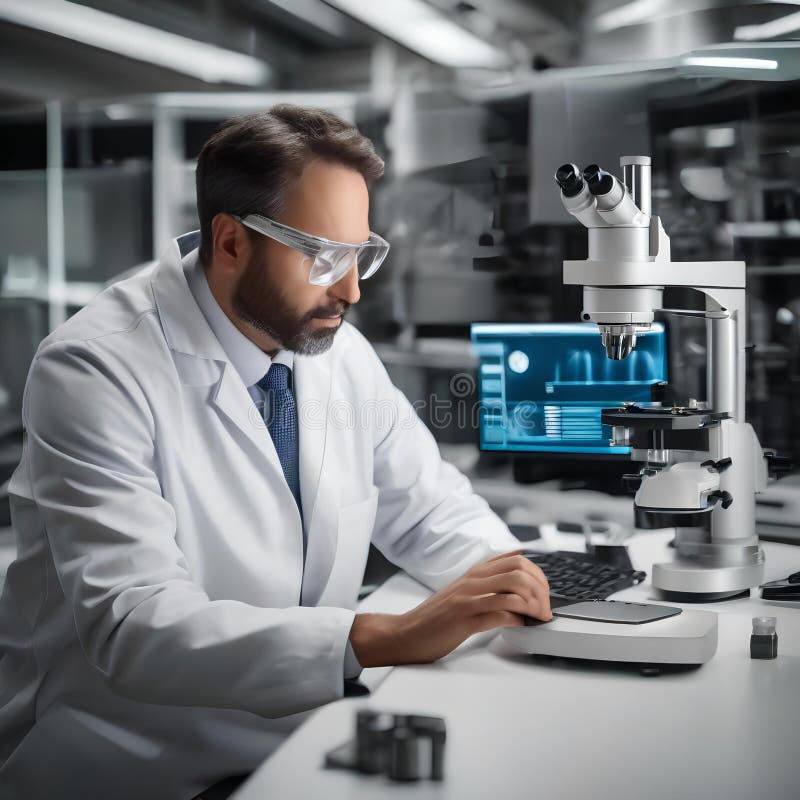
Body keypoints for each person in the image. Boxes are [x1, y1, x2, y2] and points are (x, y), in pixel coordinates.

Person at [0, 105, 551, 800]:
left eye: (360, 255)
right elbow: (134, 624)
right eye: (324, 257)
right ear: (231, 242)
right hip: (130, 765)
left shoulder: (333, 349)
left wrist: (509, 585)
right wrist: (384, 635)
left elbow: (427, 506)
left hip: (296, 746)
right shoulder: (95, 367)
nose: (350, 290)